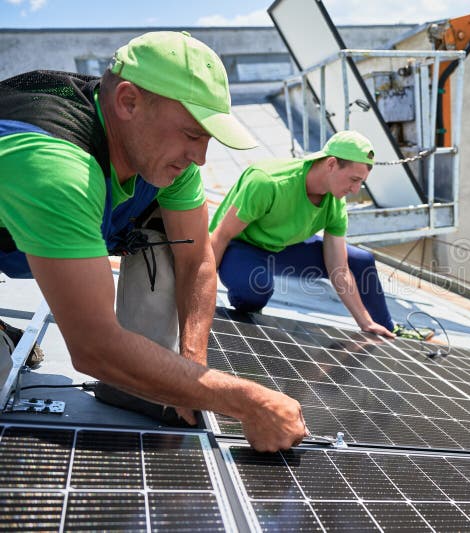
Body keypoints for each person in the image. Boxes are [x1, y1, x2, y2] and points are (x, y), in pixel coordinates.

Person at [0, 31, 306, 452]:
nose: (200, 158)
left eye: (207, 139)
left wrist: (190, 373)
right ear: (128, 101)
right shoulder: (56, 161)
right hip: (16, 233)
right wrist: (248, 402)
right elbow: (91, 345)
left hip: (27, 238)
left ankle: (139, 384)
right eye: (191, 134)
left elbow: (197, 259)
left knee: (171, 232)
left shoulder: (159, 154)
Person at [209, 130, 433, 341]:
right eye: (354, 180)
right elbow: (220, 236)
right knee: (256, 286)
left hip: (284, 247)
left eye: (361, 182)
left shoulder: (335, 201)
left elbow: (339, 267)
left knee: (361, 261)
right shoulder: (268, 182)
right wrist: (198, 297)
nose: (356, 190)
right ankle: (245, 322)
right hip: (242, 247)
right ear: (332, 164)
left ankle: (386, 328)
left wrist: (365, 322)